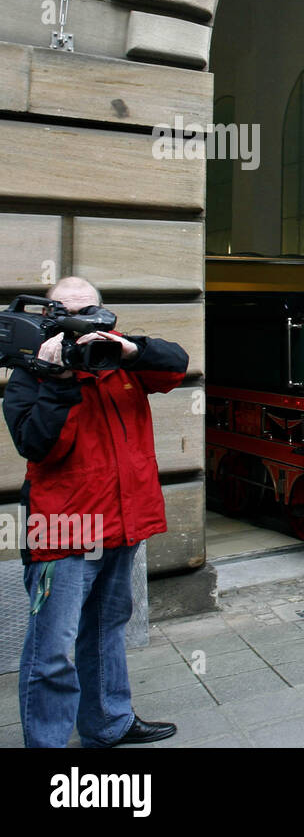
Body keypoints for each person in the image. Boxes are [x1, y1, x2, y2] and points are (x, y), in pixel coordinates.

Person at [4, 277, 189, 747]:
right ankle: (45, 743)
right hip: (65, 527)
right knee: (53, 649)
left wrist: (129, 349)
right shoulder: (31, 373)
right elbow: (37, 446)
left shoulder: (120, 363)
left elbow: (176, 364)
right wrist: (57, 382)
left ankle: (109, 722)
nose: (76, 323)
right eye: (65, 313)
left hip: (122, 522)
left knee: (107, 628)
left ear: (104, 316)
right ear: (46, 318)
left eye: (87, 311)